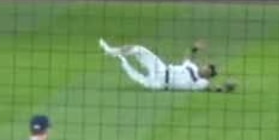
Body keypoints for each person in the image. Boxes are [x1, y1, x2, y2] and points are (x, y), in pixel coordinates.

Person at [98, 38, 237, 92]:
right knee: (139, 49)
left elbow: (214, 89)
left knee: (134, 73)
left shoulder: (202, 83)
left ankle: (118, 56)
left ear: (209, 75)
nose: (206, 67)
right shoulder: (192, 67)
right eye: (208, 66)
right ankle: (111, 51)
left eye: (209, 69)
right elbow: (188, 56)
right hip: (161, 68)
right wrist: (195, 48)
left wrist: (227, 87)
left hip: (159, 84)